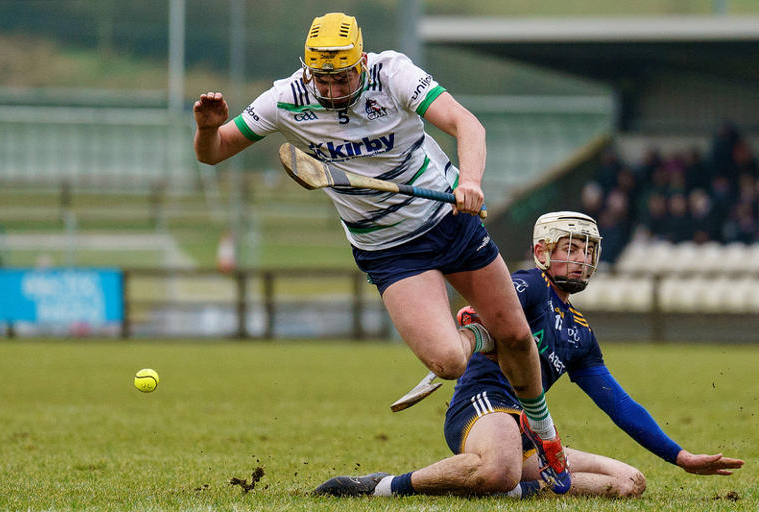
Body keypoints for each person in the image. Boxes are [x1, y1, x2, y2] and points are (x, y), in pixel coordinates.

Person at [193, 12, 570, 484]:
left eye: (341, 78)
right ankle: (473, 335)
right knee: (449, 363)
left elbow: (466, 124)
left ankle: (545, 432)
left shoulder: (392, 74)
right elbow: (214, 152)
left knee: (516, 337)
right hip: (388, 249)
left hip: (450, 220)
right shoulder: (287, 98)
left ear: (361, 61)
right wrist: (209, 129)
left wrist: (470, 181)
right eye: (322, 80)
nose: (331, 91)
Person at [314, 211, 744, 499]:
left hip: (529, 432)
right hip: (484, 408)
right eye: (570, 249)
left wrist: (680, 456)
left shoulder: (580, 332)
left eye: (587, 251)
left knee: (630, 482)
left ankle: (512, 489)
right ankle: (381, 486)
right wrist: (472, 325)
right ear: (543, 253)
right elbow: (486, 311)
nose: (581, 260)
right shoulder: (528, 284)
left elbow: (618, 402)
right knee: (497, 468)